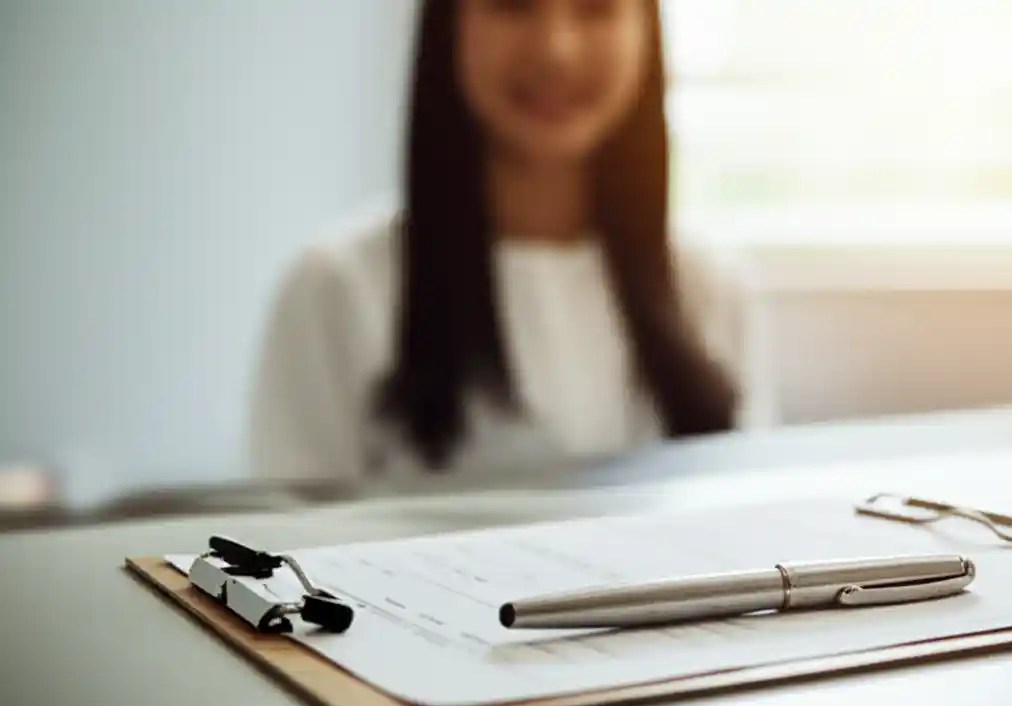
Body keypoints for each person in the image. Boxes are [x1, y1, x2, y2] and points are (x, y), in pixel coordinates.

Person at [250, 0, 744, 481]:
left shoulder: (708, 285)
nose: (557, 51)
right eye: (512, 5)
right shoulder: (337, 288)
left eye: (597, 7)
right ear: (448, 25)